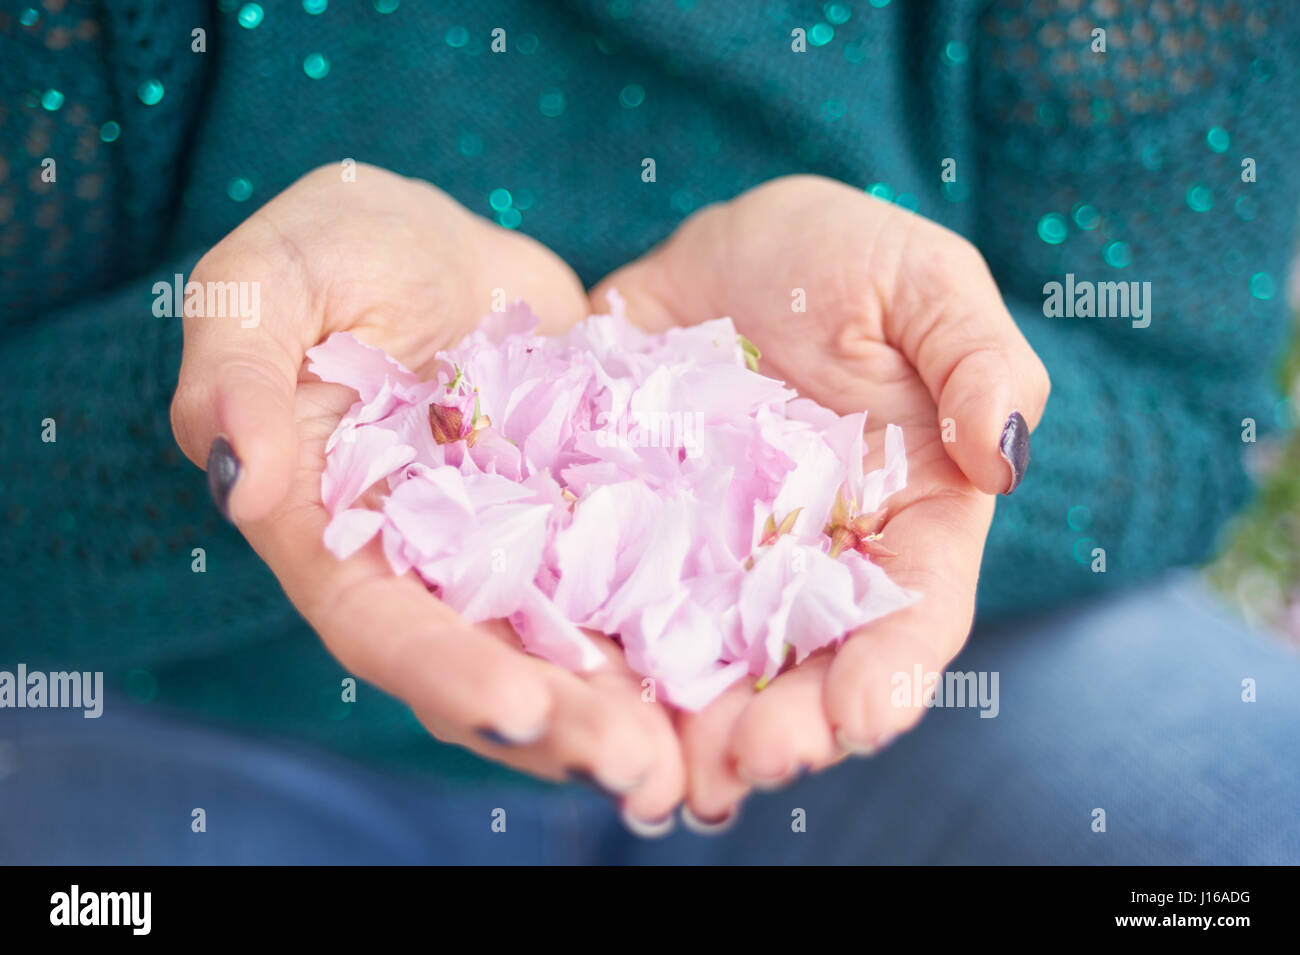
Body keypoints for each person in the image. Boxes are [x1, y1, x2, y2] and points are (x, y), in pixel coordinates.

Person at [2, 1, 1298, 864]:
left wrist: (956, 436)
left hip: (946, 677)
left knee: (1246, 828)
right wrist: (234, 411)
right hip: (202, 719)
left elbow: (1189, 422)